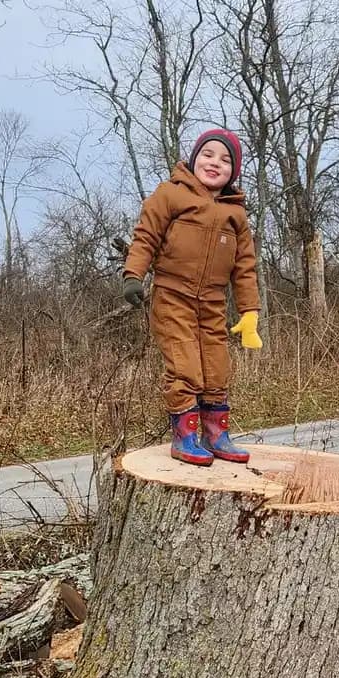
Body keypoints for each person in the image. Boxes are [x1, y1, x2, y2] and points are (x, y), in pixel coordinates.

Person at [122, 129, 263, 466]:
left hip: (213, 303)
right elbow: (146, 236)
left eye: (225, 160)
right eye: (208, 155)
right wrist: (133, 275)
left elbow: (245, 266)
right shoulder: (171, 194)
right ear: (194, 158)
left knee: (216, 367)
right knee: (185, 365)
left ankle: (216, 435)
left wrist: (249, 311)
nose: (215, 163)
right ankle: (184, 437)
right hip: (173, 296)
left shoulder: (236, 214)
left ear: (234, 171)